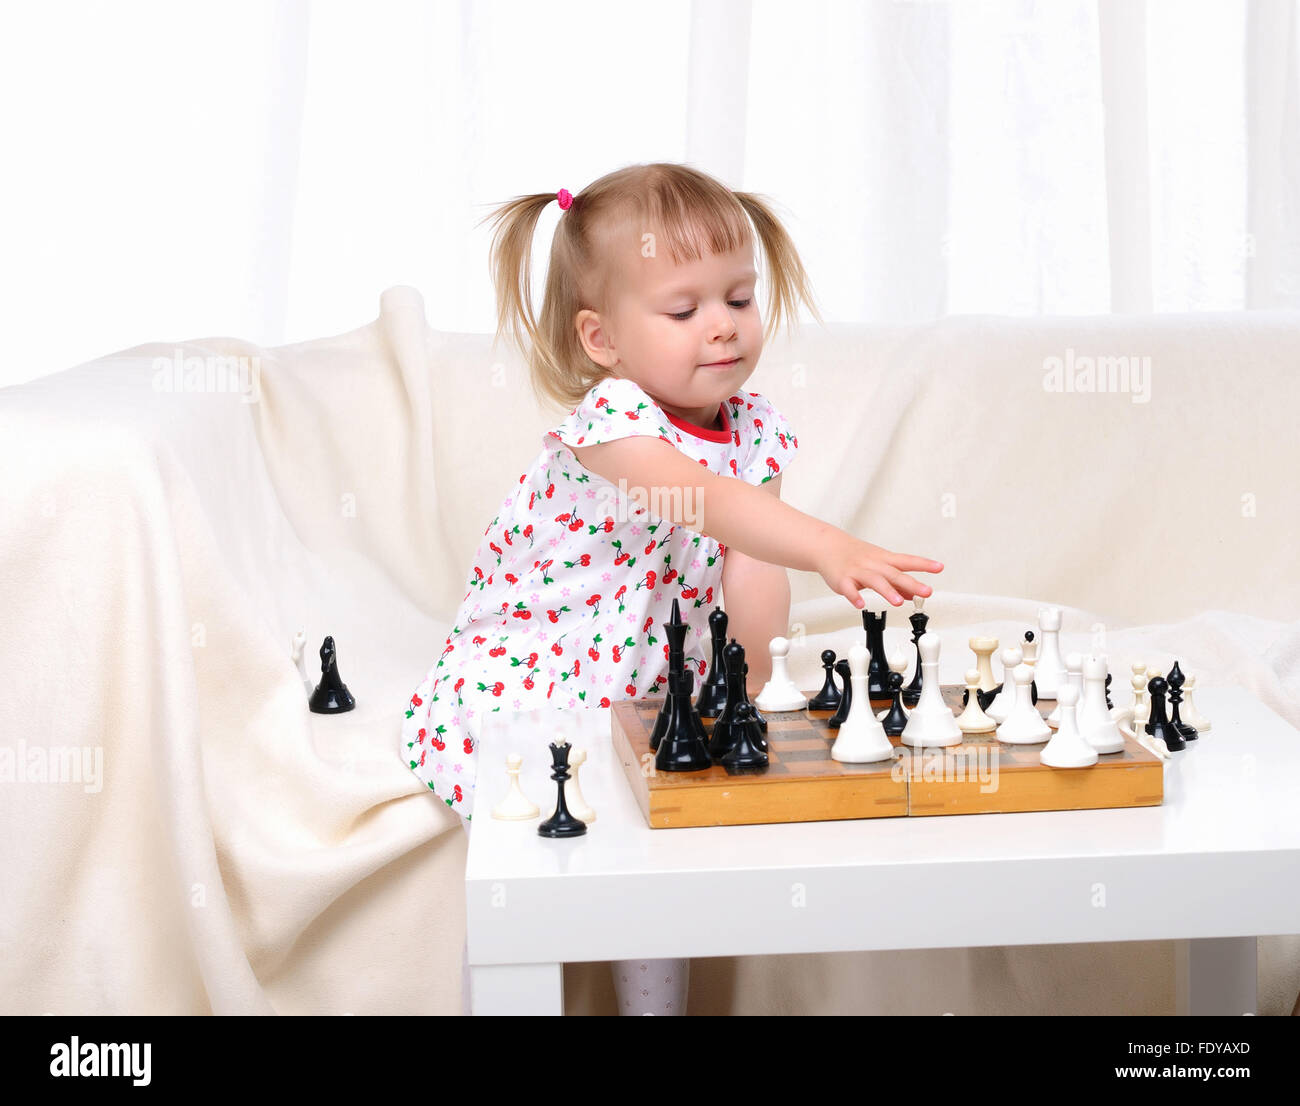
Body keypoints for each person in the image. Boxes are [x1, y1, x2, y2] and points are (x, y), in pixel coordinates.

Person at [401, 162, 944, 1014]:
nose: (723, 329)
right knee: (521, 865)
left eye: (739, 298)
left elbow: (753, 613)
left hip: (657, 679)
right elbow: (703, 501)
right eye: (685, 311)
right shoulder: (615, 423)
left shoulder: (754, 429)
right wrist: (826, 546)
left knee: (653, 866)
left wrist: (758, 667)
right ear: (601, 340)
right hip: (541, 666)